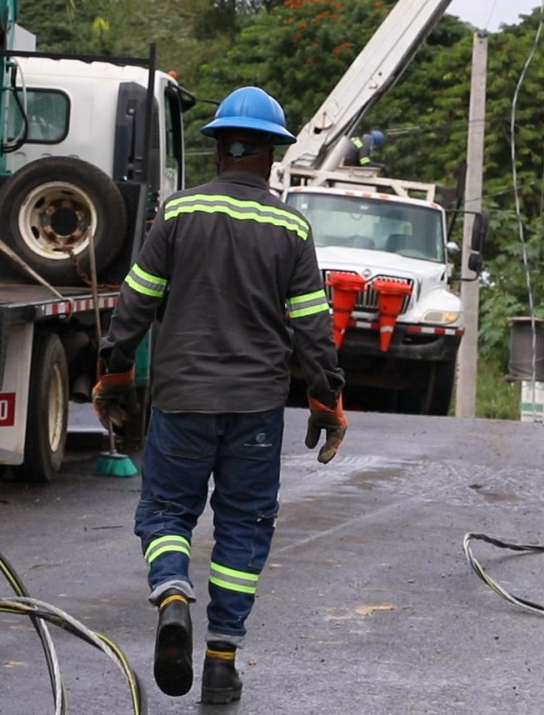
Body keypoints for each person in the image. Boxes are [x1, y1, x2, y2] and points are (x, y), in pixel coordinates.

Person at [92, 85, 348, 705]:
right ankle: (220, 660)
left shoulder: (178, 214)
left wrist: (115, 372)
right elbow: (312, 324)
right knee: (244, 524)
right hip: (256, 407)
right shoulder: (291, 226)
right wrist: (325, 399)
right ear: (271, 155)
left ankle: (173, 593)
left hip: (182, 398)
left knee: (165, 514)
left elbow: (136, 300)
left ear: (220, 152)